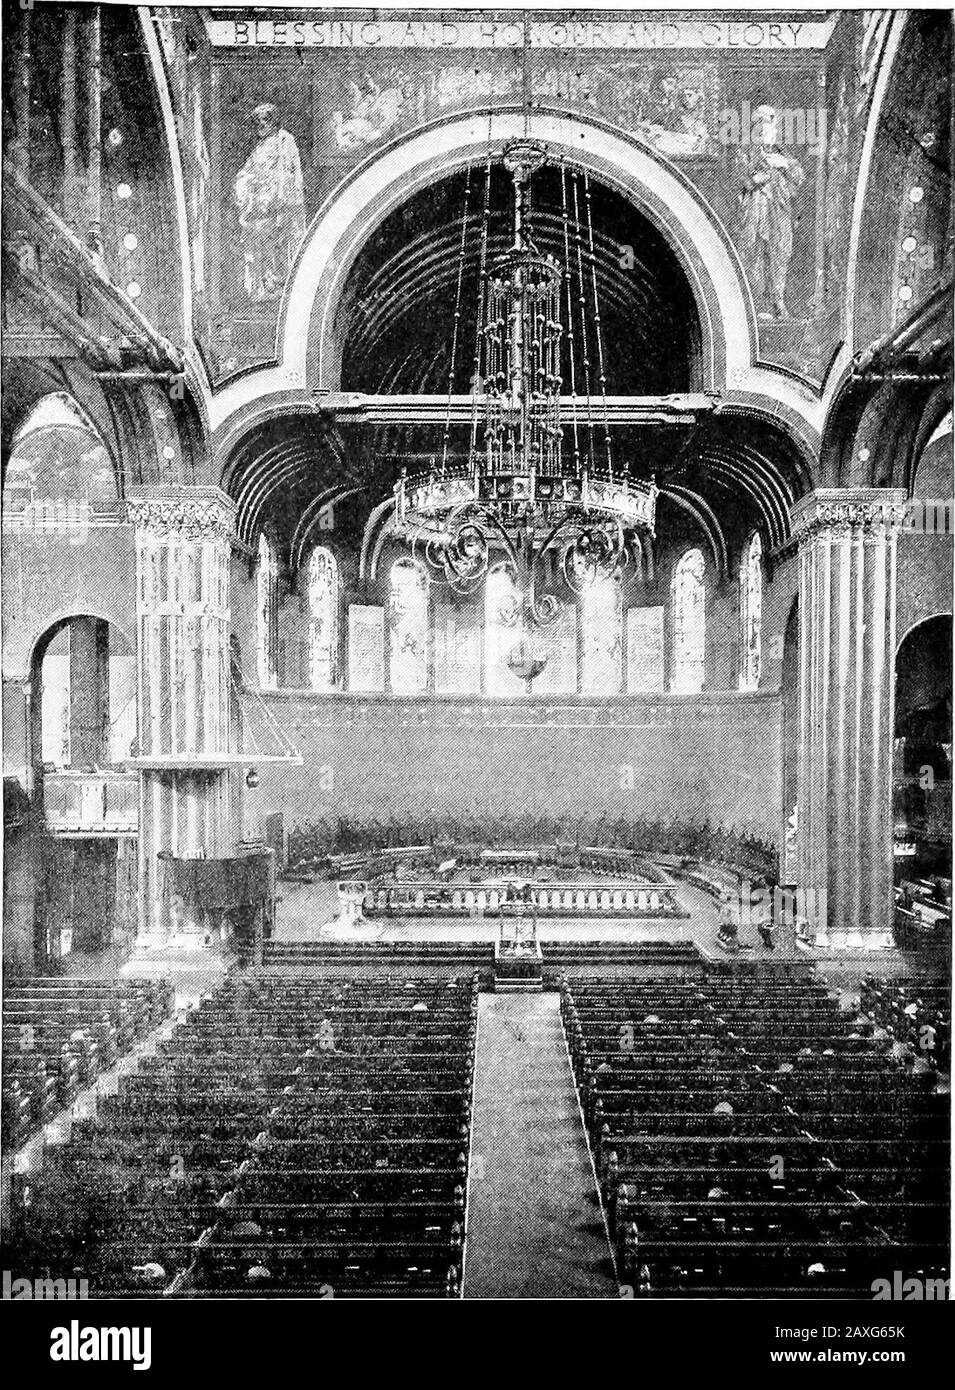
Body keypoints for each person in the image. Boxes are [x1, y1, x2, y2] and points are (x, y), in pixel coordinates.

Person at [737, 106, 804, 319]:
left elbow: (798, 176)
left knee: (780, 253)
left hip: (779, 211)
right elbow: (742, 180)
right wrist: (760, 178)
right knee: (754, 254)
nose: (770, 134)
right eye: (765, 129)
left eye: (773, 129)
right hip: (756, 210)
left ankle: (778, 301)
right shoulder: (746, 152)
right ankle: (755, 305)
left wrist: (784, 165)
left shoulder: (780, 152)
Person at [234, 104, 306, 303]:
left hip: (279, 206)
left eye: (264, 120)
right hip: (259, 209)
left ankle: (278, 288)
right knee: (259, 248)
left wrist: (279, 190)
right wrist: (248, 182)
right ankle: (263, 290)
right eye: (257, 121)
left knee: (279, 248)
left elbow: (294, 173)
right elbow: (245, 173)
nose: (260, 125)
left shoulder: (285, 141)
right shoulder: (259, 148)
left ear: (273, 121)